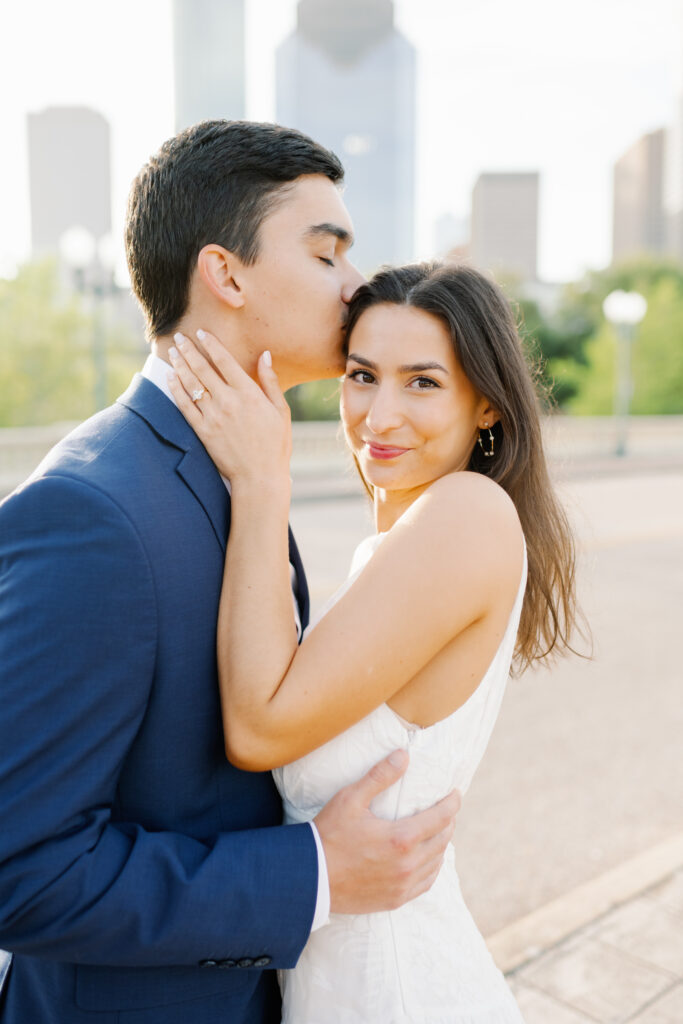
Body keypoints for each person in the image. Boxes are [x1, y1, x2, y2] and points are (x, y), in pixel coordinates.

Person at [0, 122, 461, 1024]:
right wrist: (314, 875)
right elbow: (21, 869)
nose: (355, 283)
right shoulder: (94, 513)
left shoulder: (235, 456)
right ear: (226, 273)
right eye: (326, 253)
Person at [167, 260, 580, 1022]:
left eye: (421, 383)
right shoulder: (396, 543)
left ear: (486, 405)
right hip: (337, 983)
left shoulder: (467, 512)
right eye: (362, 376)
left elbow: (258, 727)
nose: (379, 415)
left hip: (396, 992)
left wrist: (262, 483)